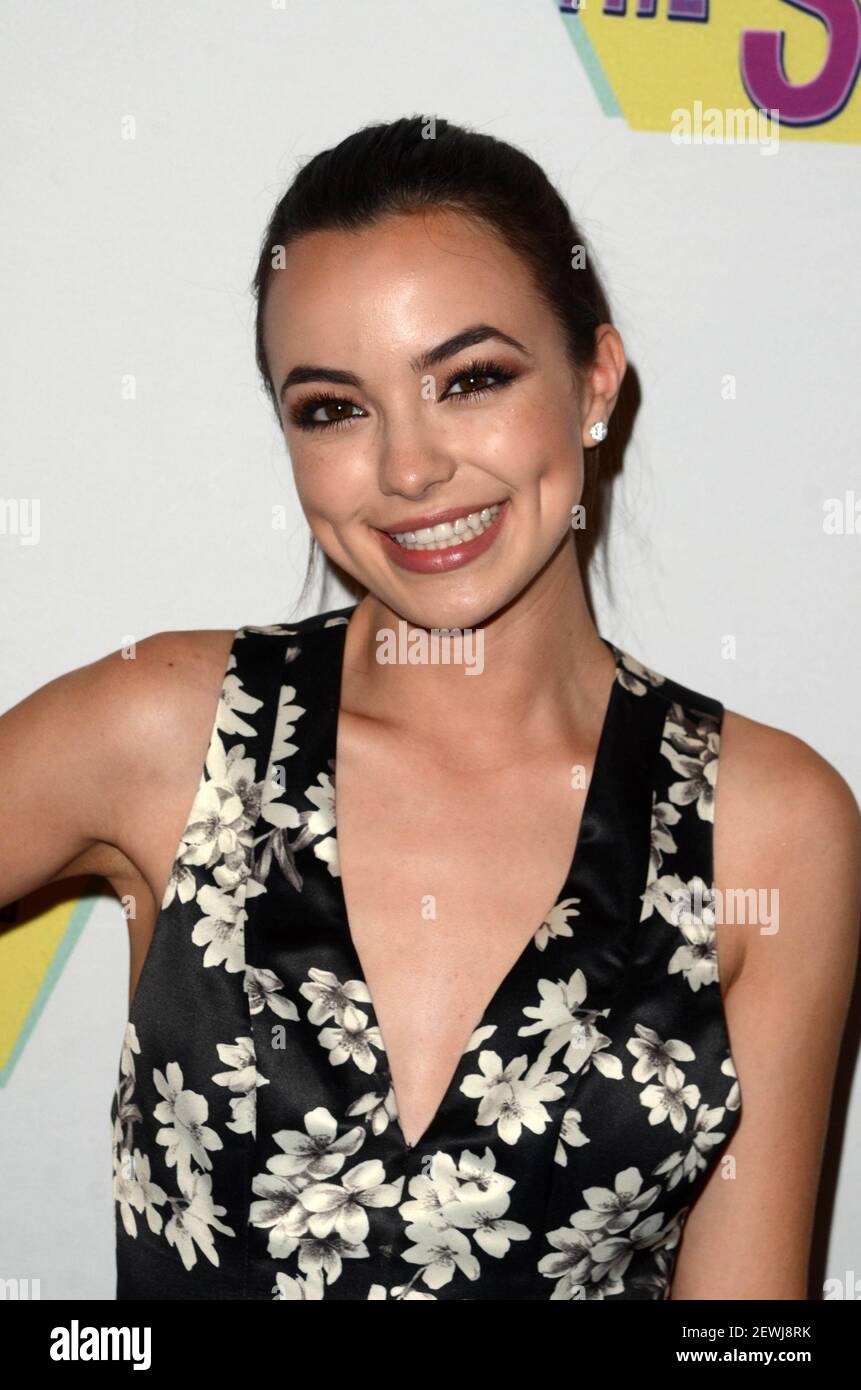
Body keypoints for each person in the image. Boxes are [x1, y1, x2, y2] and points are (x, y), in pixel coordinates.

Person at [1, 115, 858, 1302]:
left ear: (595, 383)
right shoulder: (165, 732)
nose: (408, 469)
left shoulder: (772, 823)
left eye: (471, 379)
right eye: (332, 408)